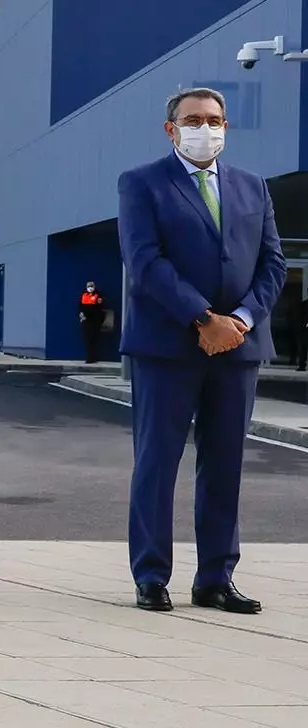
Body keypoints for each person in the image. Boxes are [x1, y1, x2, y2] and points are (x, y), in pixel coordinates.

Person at [117, 87, 284, 615]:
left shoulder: (252, 187)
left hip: (238, 347)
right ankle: (151, 575)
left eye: (214, 119)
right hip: (168, 347)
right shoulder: (142, 183)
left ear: (226, 127)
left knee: (225, 464)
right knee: (157, 463)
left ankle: (216, 577)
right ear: (171, 129)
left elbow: (273, 265)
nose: (205, 128)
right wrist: (202, 318)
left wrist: (239, 320)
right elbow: (144, 262)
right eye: (193, 120)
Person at [79, 281, 108, 364]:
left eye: (91, 286)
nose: (90, 288)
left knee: (92, 339)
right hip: (85, 320)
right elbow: (80, 306)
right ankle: (90, 357)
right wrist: (82, 314)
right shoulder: (84, 295)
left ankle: (91, 358)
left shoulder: (97, 295)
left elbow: (98, 308)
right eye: (88, 286)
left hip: (94, 320)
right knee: (87, 339)